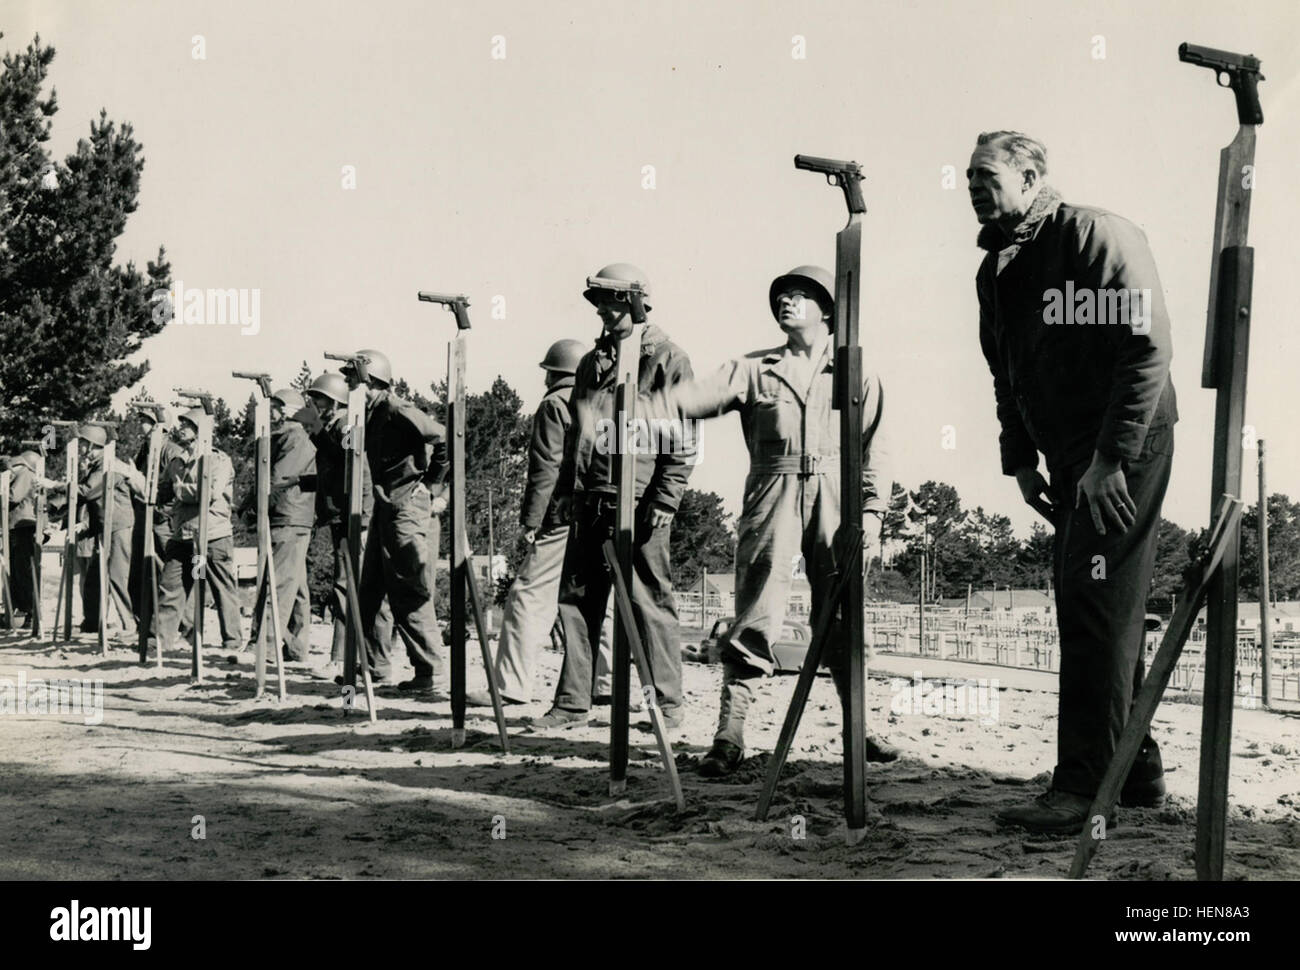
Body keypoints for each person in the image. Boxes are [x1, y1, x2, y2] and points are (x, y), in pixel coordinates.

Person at [967, 130, 1176, 832]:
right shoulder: (997, 268)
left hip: (1122, 446)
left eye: (986, 173)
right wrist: (1020, 460)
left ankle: (1086, 788)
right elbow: (1007, 376)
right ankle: (1136, 772)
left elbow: (1146, 342)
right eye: (966, 175)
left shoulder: (1092, 234)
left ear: (1030, 176)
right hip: (1068, 458)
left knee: (1093, 603)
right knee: (1100, 604)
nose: (971, 185)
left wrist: (1111, 458)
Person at [639, 265, 898, 776]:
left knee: (844, 618)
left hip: (835, 497)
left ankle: (858, 730)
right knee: (754, 616)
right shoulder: (753, 369)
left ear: (826, 310)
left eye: (800, 295)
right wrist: (642, 408)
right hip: (771, 492)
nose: (787, 302)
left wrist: (872, 512)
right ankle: (730, 736)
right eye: (781, 295)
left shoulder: (854, 372)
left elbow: (877, 448)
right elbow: (693, 399)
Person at [531, 264, 694, 730]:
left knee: (648, 602)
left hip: (640, 501)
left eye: (614, 300)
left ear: (638, 302)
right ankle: (571, 703)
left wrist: (666, 495)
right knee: (577, 601)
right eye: (599, 301)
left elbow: (682, 435)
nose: (604, 310)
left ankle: (666, 703)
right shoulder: (591, 362)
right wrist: (565, 494)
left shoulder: (667, 359)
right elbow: (575, 437)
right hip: (590, 499)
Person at [465, 339, 618, 708]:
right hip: (603, 510)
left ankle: (510, 686)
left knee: (527, 596)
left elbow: (545, 466)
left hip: (564, 514)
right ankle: (607, 684)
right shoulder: (606, 401)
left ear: (554, 373)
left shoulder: (554, 404)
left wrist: (531, 519)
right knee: (600, 600)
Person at [340, 349, 448, 694]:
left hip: (407, 506)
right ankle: (374, 668)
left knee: (407, 590)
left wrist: (433, 483)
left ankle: (430, 673)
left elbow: (443, 437)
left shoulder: (394, 408)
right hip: (385, 506)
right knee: (370, 589)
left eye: (350, 378)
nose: (345, 383)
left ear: (369, 380)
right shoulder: (369, 413)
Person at [300, 371, 396, 682]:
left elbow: (359, 470)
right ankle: (355, 658)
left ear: (334, 400)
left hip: (354, 516)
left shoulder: (347, 424)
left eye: (318, 399)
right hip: (342, 514)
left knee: (349, 587)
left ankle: (346, 657)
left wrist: (364, 517)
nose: (313, 403)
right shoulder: (336, 426)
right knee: (346, 586)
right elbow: (338, 468)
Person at [156, 408, 244, 656]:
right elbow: (162, 491)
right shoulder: (176, 461)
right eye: (181, 423)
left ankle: (232, 640)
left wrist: (180, 490)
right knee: (171, 586)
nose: (181, 428)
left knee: (221, 588)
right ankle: (161, 639)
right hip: (183, 534)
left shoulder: (218, 459)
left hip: (212, 534)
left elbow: (210, 493)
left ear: (200, 431)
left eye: (187, 424)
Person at [244, 388, 316, 663]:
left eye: (276, 406)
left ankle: (268, 644)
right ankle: (295, 647)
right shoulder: (284, 437)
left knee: (278, 581)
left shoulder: (293, 436)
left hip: (288, 515)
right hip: (291, 514)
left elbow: (277, 479)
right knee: (294, 583)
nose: (270, 412)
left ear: (288, 409)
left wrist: (256, 509)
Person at [69, 425, 146, 640]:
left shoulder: (107, 465)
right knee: (94, 577)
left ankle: (130, 624)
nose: (81, 447)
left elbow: (85, 491)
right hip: (104, 527)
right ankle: (93, 622)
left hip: (118, 528)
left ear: (93, 445)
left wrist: (54, 485)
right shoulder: (96, 464)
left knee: (117, 576)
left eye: (84, 443)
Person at [5, 449, 43, 627]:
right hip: (17, 526)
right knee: (16, 571)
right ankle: (20, 609)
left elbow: (13, 496)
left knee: (22, 572)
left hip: (23, 526)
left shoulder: (25, 474)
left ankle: (28, 611)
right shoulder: (22, 473)